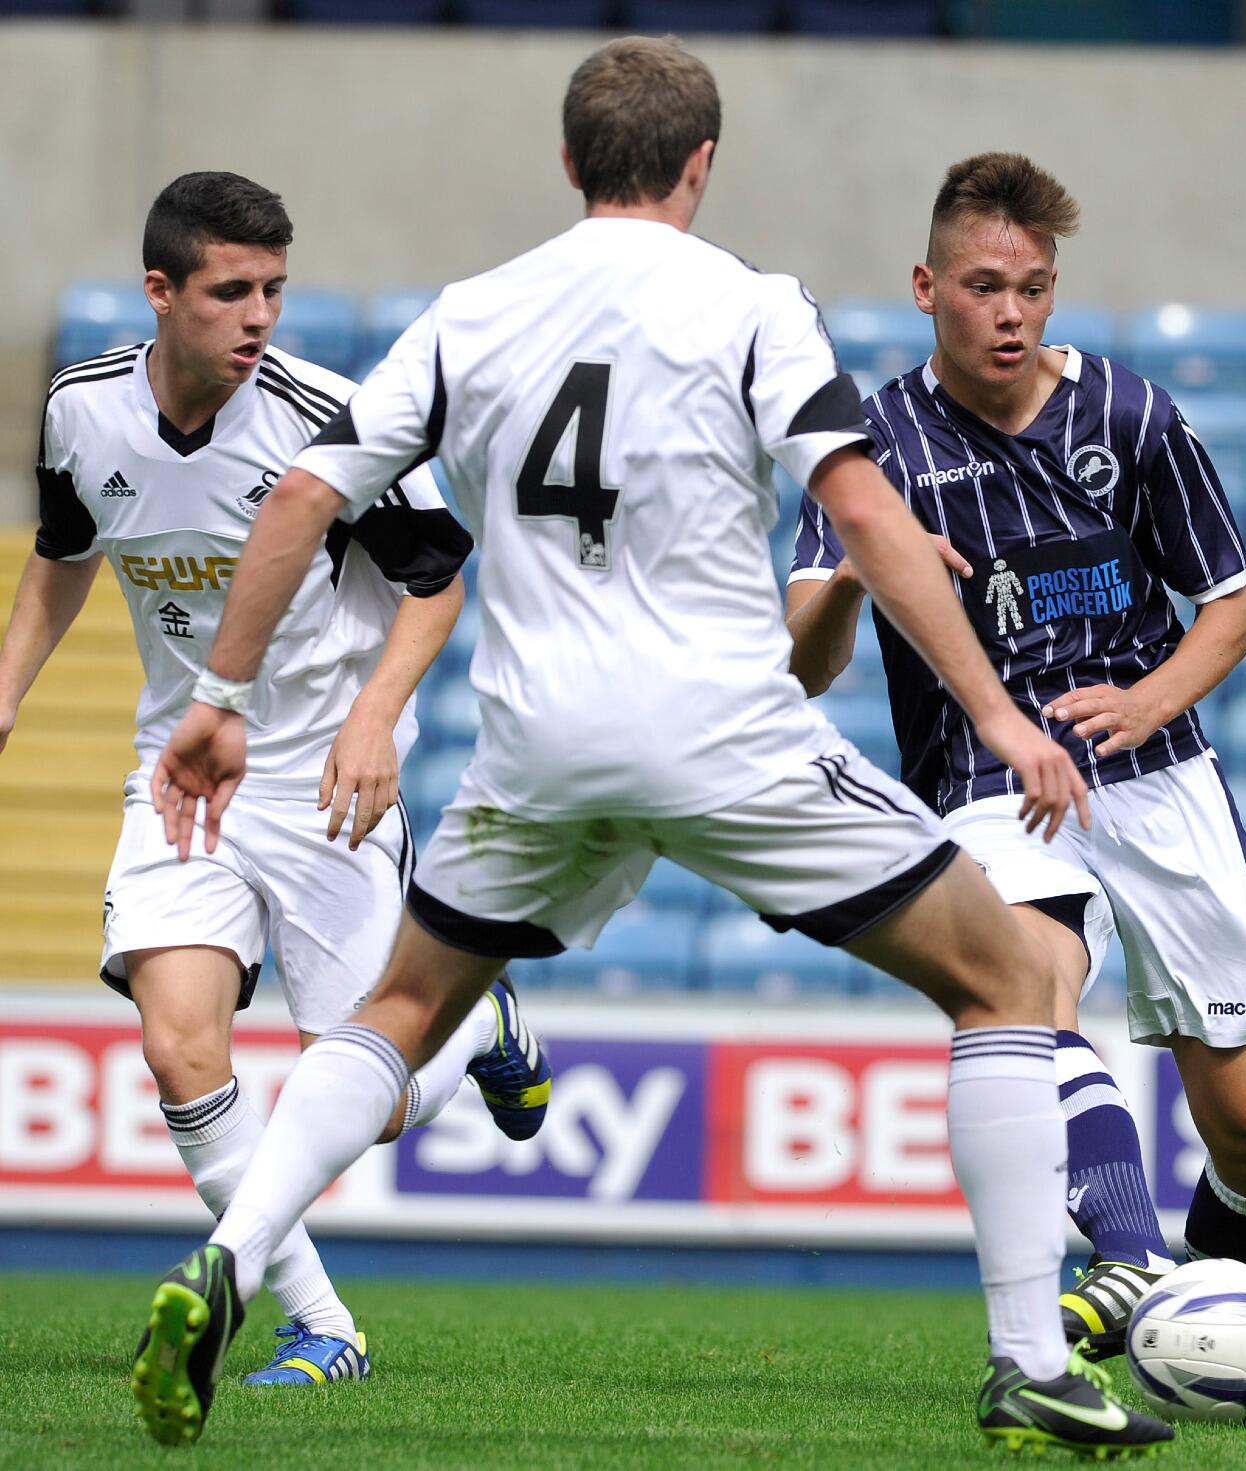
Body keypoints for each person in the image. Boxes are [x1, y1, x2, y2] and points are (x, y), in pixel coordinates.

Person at [127, 42, 1169, 1458]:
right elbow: (863, 509)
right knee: (1011, 977)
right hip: (721, 732)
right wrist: (995, 715)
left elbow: (301, 496)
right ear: (701, 164)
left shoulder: (470, 311)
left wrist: (218, 693)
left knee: (405, 1005)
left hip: (536, 746)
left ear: (569, 162)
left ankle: (232, 1257)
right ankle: (1030, 1361)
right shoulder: (753, 304)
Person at [785, 152, 1246, 1410]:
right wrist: (860, 577)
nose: (1010, 313)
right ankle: (1131, 1253)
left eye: (1031, 287)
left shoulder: (1130, 418)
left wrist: (1146, 701)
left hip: (1157, 772)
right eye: (983, 287)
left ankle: (1205, 1329)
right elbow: (803, 664)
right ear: (926, 287)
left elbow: (1232, 605)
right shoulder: (870, 449)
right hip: (988, 773)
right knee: (1029, 984)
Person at [0, 171, 551, 1394]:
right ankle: (322, 1326)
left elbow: (437, 582)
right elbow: (63, 553)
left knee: (376, 1098)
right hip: (181, 768)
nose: (258, 316)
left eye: (274, 291)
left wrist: (373, 717)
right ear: (160, 291)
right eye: (231, 291)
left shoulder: (328, 419)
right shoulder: (82, 409)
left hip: (320, 779)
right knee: (178, 1045)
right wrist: (8, 689)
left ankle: (478, 1022)